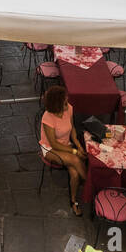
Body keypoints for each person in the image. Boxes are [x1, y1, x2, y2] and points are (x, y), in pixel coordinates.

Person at [39, 85, 87, 215]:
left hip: (67, 145)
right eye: (64, 102)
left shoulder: (69, 109)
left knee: (75, 174)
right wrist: (75, 151)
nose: (67, 103)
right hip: (50, 149)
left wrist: (78, 145)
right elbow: (54, 143)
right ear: (56, 105)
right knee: (75, 160)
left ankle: (73, 201)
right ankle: (90, 186)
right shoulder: (47, 118)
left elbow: (72, 129)